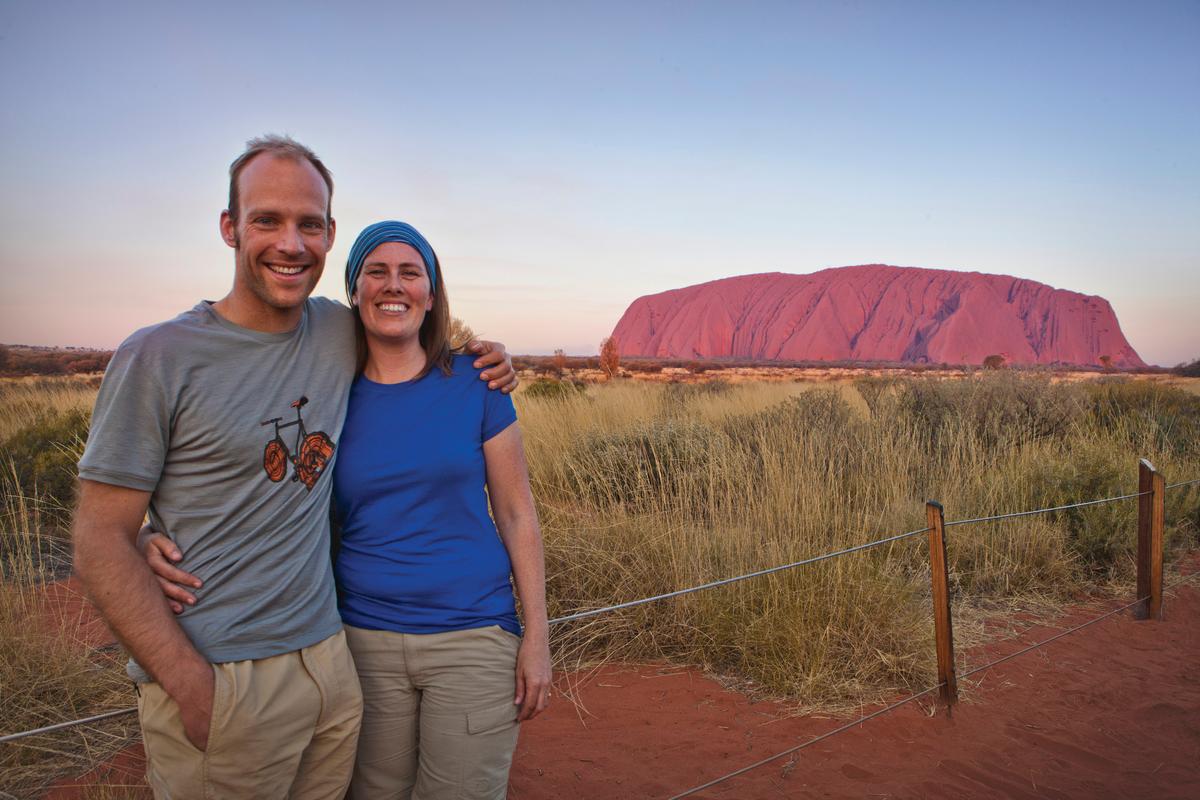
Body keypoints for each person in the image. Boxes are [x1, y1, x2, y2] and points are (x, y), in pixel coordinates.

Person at [72, 135, 517, 800]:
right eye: (266, 220)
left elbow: (410, 334)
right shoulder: (158, 357)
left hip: (334, 663)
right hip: (225, 673)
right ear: (230, 227)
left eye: (309, 224)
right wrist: (190, 685)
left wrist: (488, 356)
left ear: (330, 235)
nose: (290, 243)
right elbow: (97, 535)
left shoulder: (338, 331)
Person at [151, 220, 552, 799]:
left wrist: (537, 637)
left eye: (410, 273)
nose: (394, 285)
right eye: (377, 271)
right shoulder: (329, 395)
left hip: (472, 634)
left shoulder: (477, 383)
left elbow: (517, 514)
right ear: (354, 290)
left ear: (431, 294)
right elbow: (252, 481)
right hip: (361, 638)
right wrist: (148, 532)